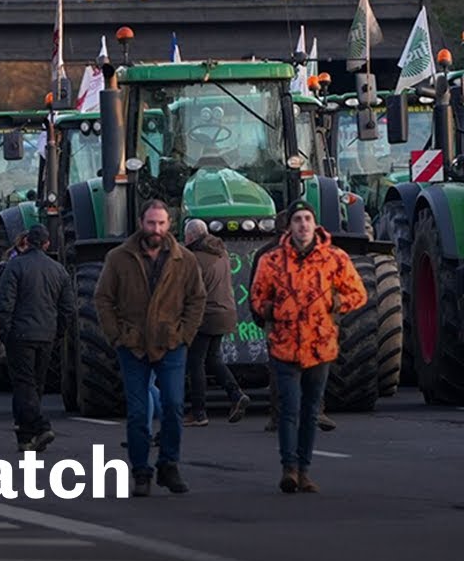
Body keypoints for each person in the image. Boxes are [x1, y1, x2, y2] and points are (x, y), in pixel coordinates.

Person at [250, 201, 365, 493]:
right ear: (289, 226)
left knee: (311, 411)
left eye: (307, 219)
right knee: (289, 408)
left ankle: (305, 469)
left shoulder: (334, 258)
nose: (302, 224)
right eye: (297, 219)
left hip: (320, 345)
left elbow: (357, 293)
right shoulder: (272, 260)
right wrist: (272, 311)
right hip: (284, 345)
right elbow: (256, 297)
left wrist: (335, 303)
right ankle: (288, 468)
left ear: (315, 224)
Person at [94, 199, 206, 497]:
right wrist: (116, 335)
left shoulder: (184, 260)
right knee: (138, 411)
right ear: (141, 223)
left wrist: (185, 335)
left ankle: (169, 464)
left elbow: (197, 299)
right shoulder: (119, 258)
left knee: (172, 406)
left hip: (171, 343)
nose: (155, 229)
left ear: (170, 224)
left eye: (161, 223)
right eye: (150, 223)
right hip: (133, 345)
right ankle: (141, 471)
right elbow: (103, 298)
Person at [0, 224, 75, 452]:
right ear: (48, 243)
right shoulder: (59, 270)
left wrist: (5, 331)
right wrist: (58, 332)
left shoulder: (14, 266)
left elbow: (5, 302)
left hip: (20, 334)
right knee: (35, 385)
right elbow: (67, 308)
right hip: (46, 335)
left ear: (27, 242)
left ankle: (40, 426)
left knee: (23, 384)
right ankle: (26, 437)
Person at [183, 220, 251, 425]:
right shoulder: (221, 253)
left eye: (186, 237)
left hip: (206, 316)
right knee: (212, 359)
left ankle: (199, 412)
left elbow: (190, 291)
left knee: (195, 363)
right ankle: (236, 394)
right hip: (225, 313)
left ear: (192, 237)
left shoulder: (194, 259)